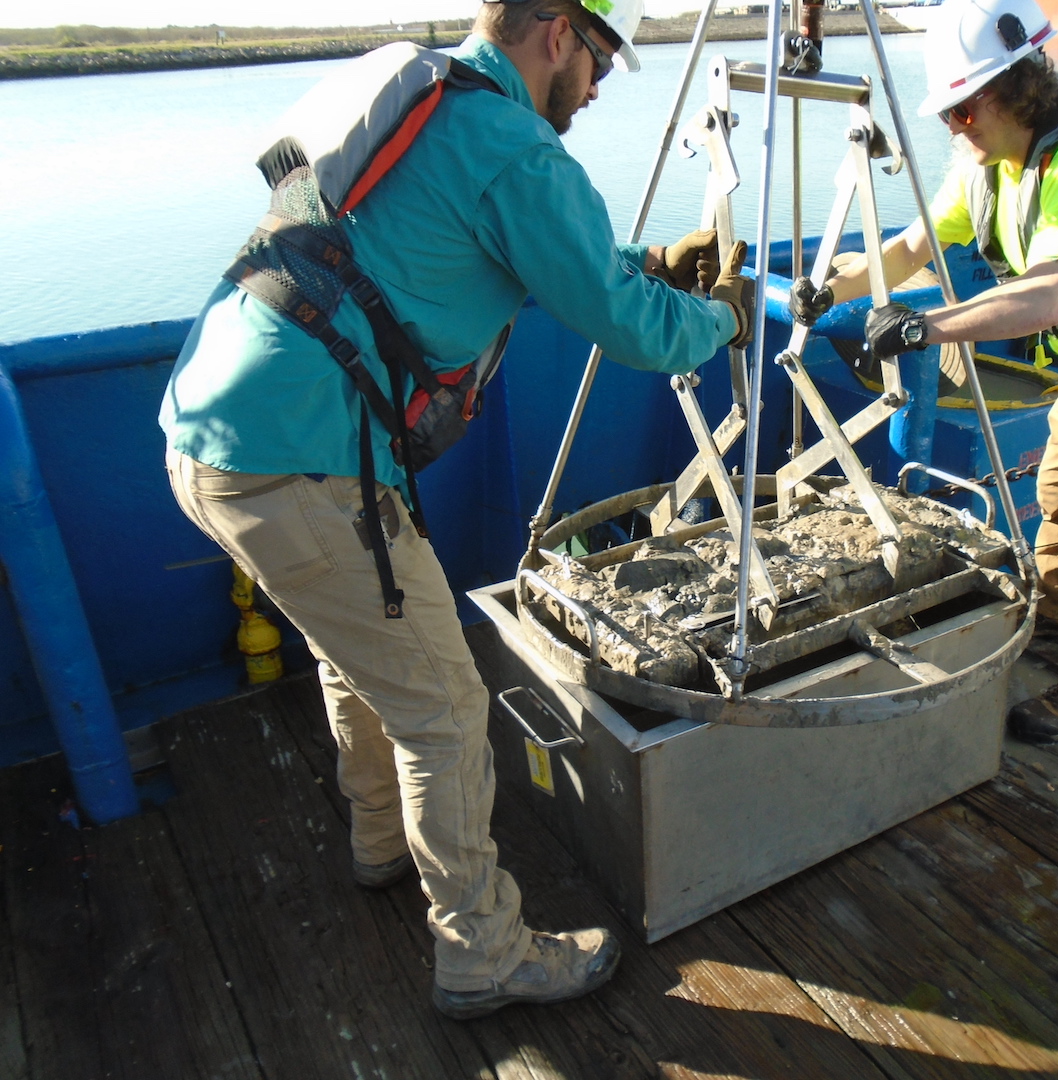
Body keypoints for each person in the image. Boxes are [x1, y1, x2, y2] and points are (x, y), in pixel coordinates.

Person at [160, 0, 751, 1021]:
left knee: (357, 651)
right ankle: (482, 951)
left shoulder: (431, 93)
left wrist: (651, 264)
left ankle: (381, 842)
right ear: (559, 34)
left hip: (212, 438)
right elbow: (634, 330)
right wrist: (720, 319)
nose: (597, 88)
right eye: (601, 59)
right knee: (443, 707)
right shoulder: (514, 146)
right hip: (298, 465)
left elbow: (526, 253)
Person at [789, 0, 1058, 745]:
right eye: (947, 116)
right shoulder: (985, 168)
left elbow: (1047, 298)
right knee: (1057, 496)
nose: (955, 129)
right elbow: (910, 249)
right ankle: (1056, 610)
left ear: (1015, 90)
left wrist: (925, 326)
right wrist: (830, 284)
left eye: (963, 111)